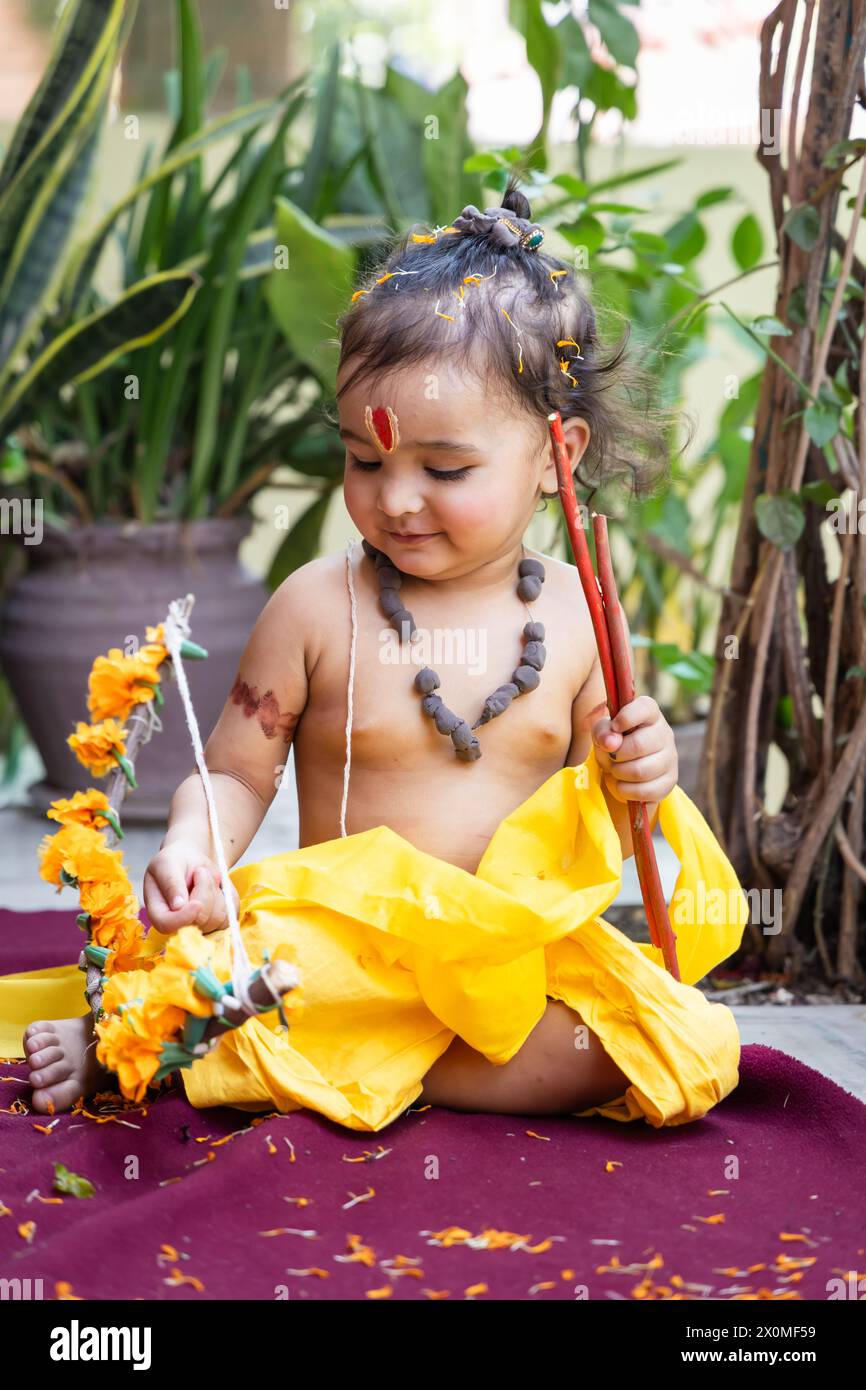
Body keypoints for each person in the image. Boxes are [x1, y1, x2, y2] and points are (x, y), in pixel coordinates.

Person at [20, 178, 747, 1130]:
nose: (396, 499)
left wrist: (642, 776)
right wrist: (193, 851)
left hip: (502, 964)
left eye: (443, 470)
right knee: (241, 964)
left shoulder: (582, 616)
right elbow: (236, 774)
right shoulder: (321, 606)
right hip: (341, 946)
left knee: (670, 1046)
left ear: (556, 457)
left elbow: (610, 814)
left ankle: (326, 1063)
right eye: (365, 460)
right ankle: (161, 1036)